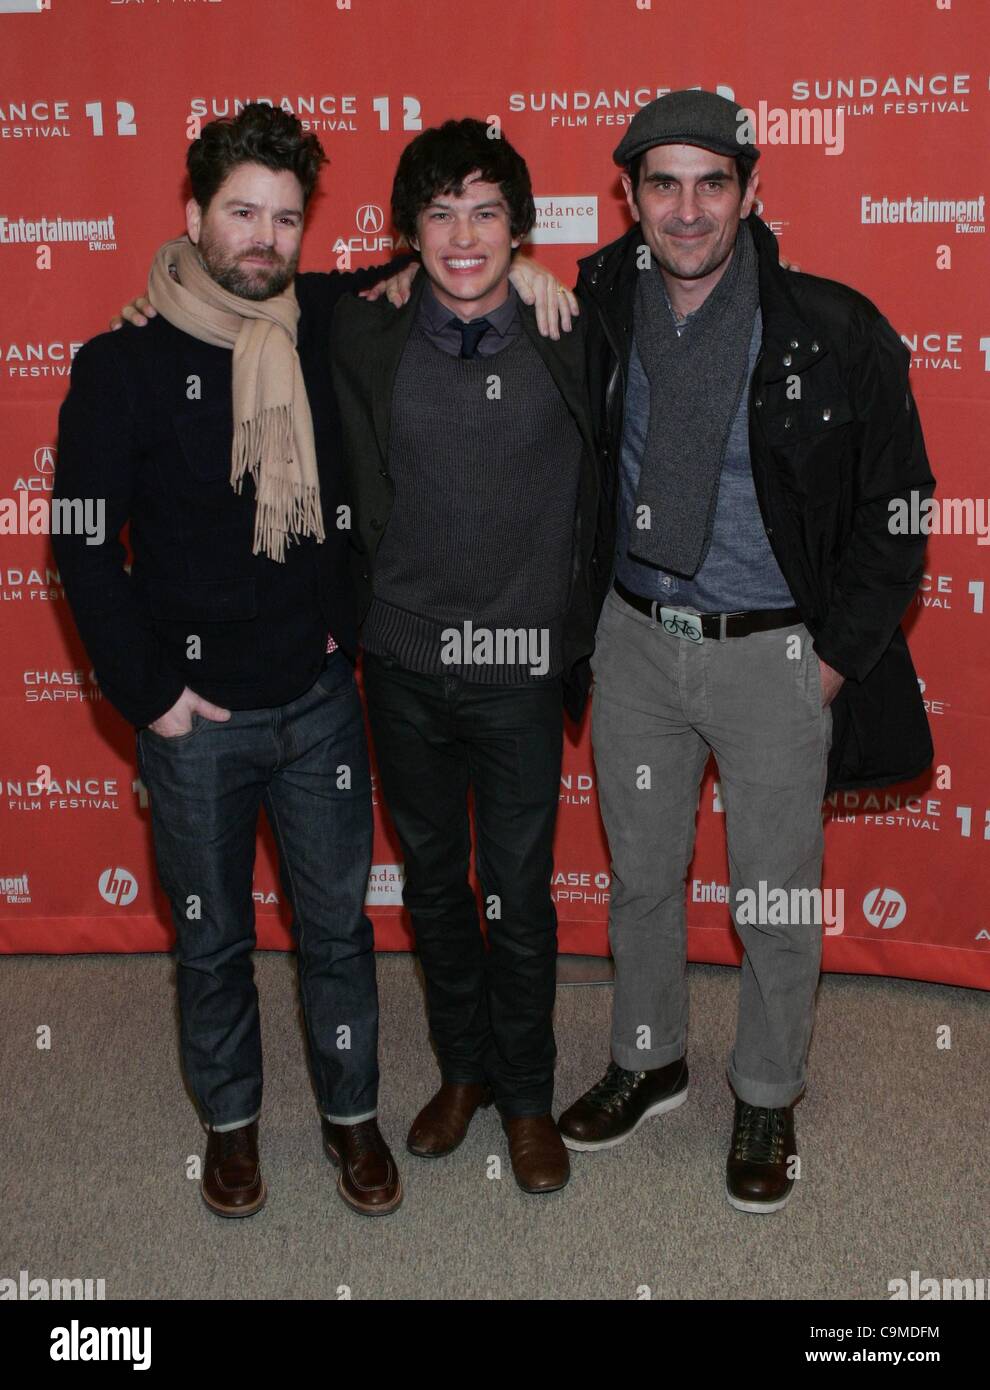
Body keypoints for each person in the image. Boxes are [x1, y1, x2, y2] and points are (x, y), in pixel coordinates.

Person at [558, 89, 935, 1212]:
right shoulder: (593, 303)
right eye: (661, 184)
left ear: (751, 192)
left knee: (772, 895)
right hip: (631, 641)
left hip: (774, 654)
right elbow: (432, 304)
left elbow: (901, 507)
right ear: (627, 198)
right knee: (639, 880)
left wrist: (834, 658)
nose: (687, 208)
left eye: (711, 182)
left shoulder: (832, 327)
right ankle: (648, 1057)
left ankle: (767, 1089)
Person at [54, 103, 414, 1219]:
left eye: (285, 218)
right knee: (211, 943)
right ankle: (232, 1125)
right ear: (194, 216)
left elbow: (453, 260)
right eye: (242, 213)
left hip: (315, 701)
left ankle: (352, 1116)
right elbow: (78, 536)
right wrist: (151, 695)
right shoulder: (119, 363)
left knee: (337, 931)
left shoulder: (322, 321)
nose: (263, 238)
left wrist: (545, 282)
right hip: (194, 716)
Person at [331, 118, 600, 1194]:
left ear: (520, 228)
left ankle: (528, 1096)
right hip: (401, 661)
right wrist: (148, 298)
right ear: (408, 230)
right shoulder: (364, 331)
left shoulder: (574, 329)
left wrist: (537, 272)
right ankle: (464, 1072)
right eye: (439, 212)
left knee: (518, 892)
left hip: (524, 668)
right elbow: (255, 281)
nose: (462, 235)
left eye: (487, 211)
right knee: (437, 885)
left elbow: (681, 265)